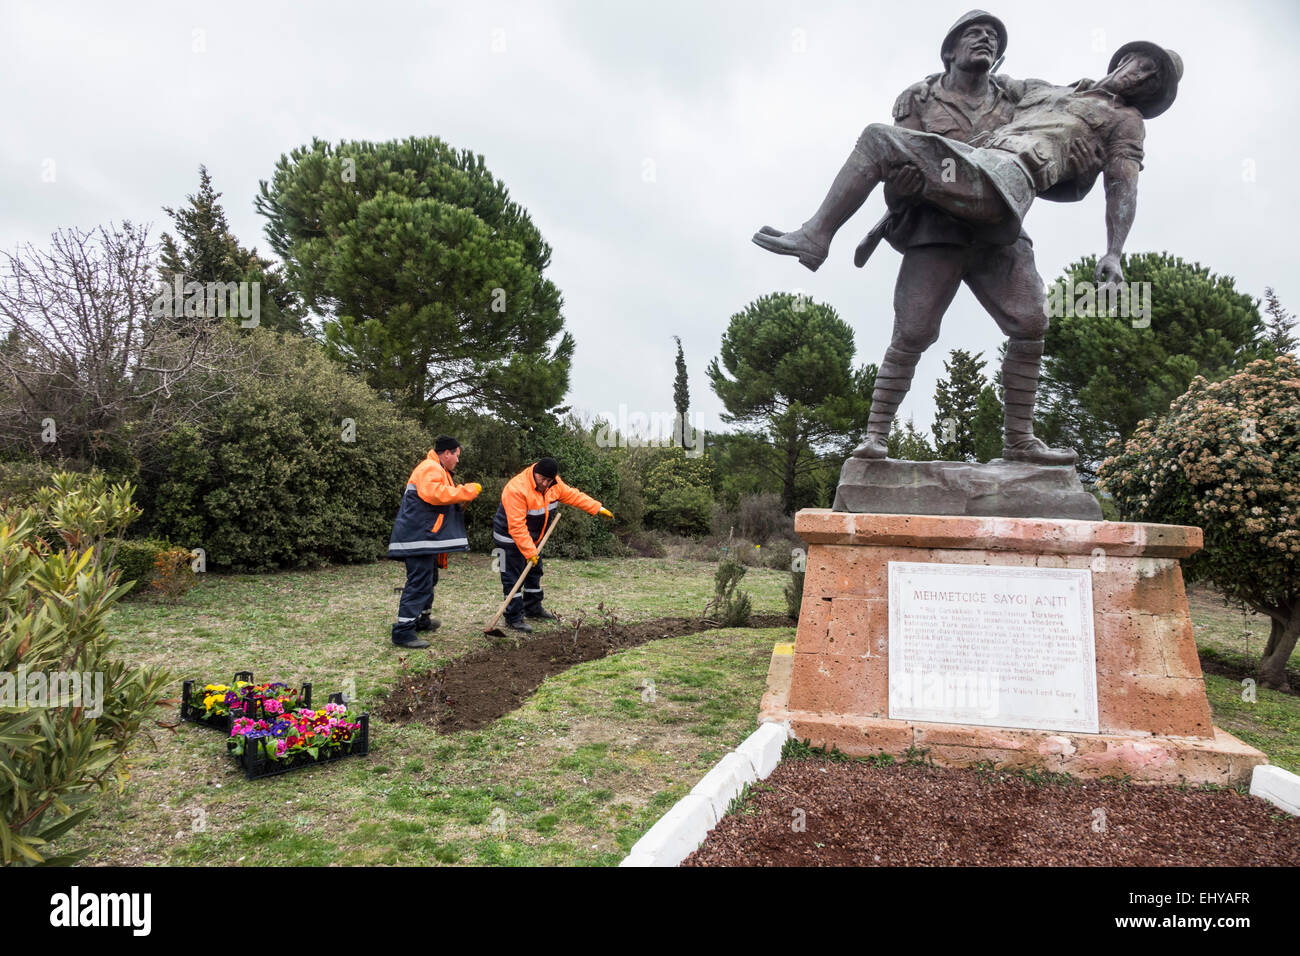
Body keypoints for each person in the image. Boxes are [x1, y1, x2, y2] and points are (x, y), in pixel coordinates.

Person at [753, 36, 1182, 463]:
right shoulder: (1041, 89)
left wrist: (1113, 251)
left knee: (1030, 321)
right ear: (1124, 58)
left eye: (1152, 77)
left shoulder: (1126, 120)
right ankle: (874, 439)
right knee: (913, 331)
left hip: (1002, 188)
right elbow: (979, 79)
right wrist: (926, 86)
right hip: (955, 202)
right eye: (1141, 64)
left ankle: (1019, 440)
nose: (1140, 76)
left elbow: (1122, 183)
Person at [493, 457, 613, 633]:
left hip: (534, 540)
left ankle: (532, 608)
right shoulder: (517, 488)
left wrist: (596, 508)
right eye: (542, 479)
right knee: (513, 578)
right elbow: (516, 526)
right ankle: (514, 618)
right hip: (509, 538)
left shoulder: (554, 485)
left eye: (549, 480)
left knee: (534, 572)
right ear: (534, 473)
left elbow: (574, 496)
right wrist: (529, 552)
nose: (545, 483)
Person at [386, 435, 481, 648]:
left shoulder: (439, 469)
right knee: (419, 582)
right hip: (418, 538)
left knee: (429, 578)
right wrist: (466, 492)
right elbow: (435, 495)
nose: (458, 460)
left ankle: (422, 619)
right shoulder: (430, 467)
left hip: (424, 538)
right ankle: (403, 632)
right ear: (447, 453)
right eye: (457, 455)